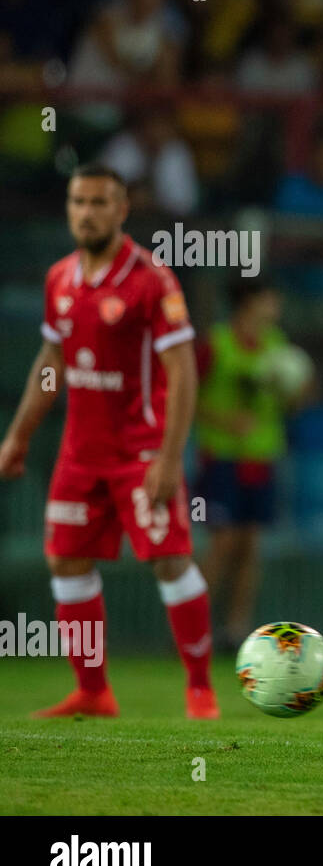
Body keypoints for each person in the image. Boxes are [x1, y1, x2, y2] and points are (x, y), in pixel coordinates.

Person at [0, 163, 218, 719]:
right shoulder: (59, 279)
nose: (87, 213)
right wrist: (18, 436)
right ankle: (93, 691)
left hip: (142, 452)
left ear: (122, 210)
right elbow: (51, 361)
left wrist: (169, 457)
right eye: (79, 202)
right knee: (66, 560)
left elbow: (183, 372)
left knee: (170, 560)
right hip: (80, 453)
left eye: (99, 202)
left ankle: (200, 689)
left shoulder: (152, 280)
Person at [195, 280, 310, 651]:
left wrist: (295, 392)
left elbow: (294, 404)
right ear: (247, 302)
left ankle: (236, 630)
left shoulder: (278, 348)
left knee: (250, 545)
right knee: (222, 543)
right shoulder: (217, 345)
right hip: (221, 457)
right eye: (269, 299)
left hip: (262, 457)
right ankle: (192, 630)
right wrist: (223, 420)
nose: (275, 306)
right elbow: (184, 396)